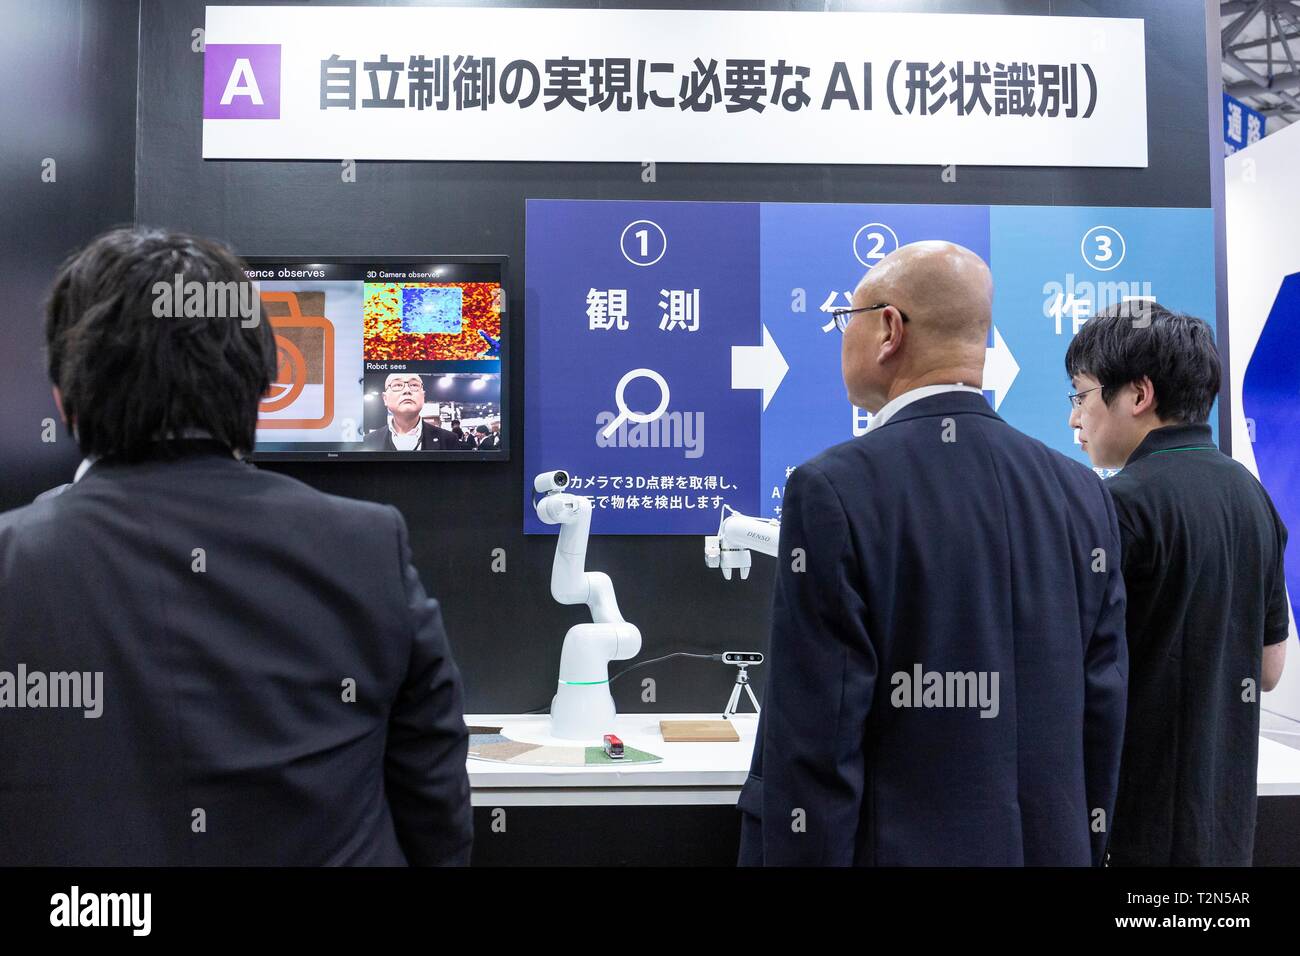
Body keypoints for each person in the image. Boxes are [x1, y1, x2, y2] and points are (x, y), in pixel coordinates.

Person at [0, 227, 473, 865]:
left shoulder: (13, 563)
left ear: (63, 400)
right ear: (260, 388)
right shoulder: (367, 547)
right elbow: (434, 813)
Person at [738, 240, 1128, 866]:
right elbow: (1102, 714)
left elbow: (817, 742)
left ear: (889, 329)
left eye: (848, 318)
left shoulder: (833, 491)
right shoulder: (1082, 493)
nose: (843, 336)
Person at [1067, 301, 1289, 866]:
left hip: (1131, 826)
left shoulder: (1113, 506)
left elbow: (1069, 672)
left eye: (1081, 395)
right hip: (1225, 826)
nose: (1075, 419)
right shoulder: (1252, 496)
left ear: (1138, 395)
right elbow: (1267, 669)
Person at [363, 374, 460, 450]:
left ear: (423, 396)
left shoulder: (449, 440)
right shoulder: (368, 442)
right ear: (385, 398)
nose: (407, 390)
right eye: (397, 385)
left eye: (414, 385)